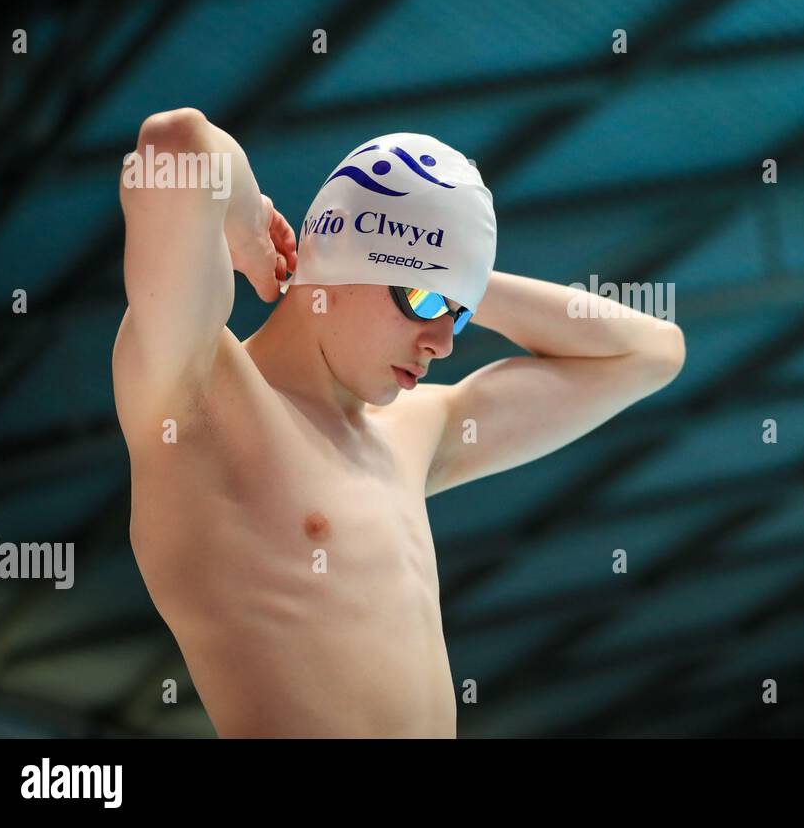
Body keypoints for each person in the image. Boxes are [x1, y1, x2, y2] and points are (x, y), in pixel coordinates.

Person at [112, 108, 685, 737]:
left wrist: (457, 276)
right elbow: (175, 144)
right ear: (338, 260)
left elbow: (651, 354)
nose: (442, 343)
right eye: (423, 300)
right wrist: (249, 230)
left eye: (458, 314)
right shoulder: (202, 399)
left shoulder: (417, 430)